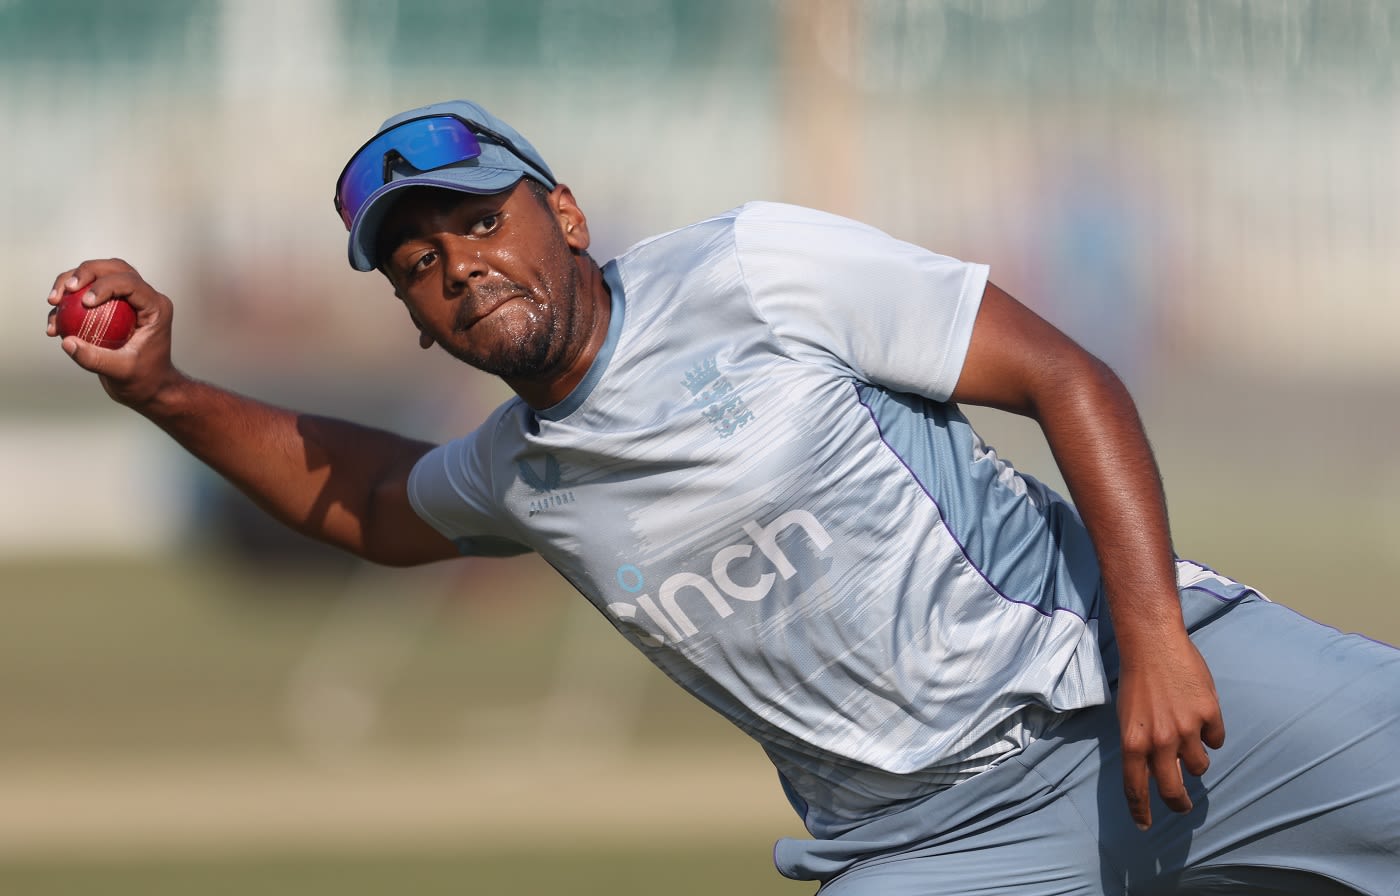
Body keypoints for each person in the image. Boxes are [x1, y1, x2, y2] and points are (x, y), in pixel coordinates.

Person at [47, 99, 1400, 894]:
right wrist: (163, 389)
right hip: (922, 843)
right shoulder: (521, 472)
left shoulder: (752, 269)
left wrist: (1157, 634)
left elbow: (1068, 378)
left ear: (563, 216)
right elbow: (375, 499)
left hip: (1142, 685)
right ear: (411, 317)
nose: (458, 267)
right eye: (414, 265)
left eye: (477, 220)